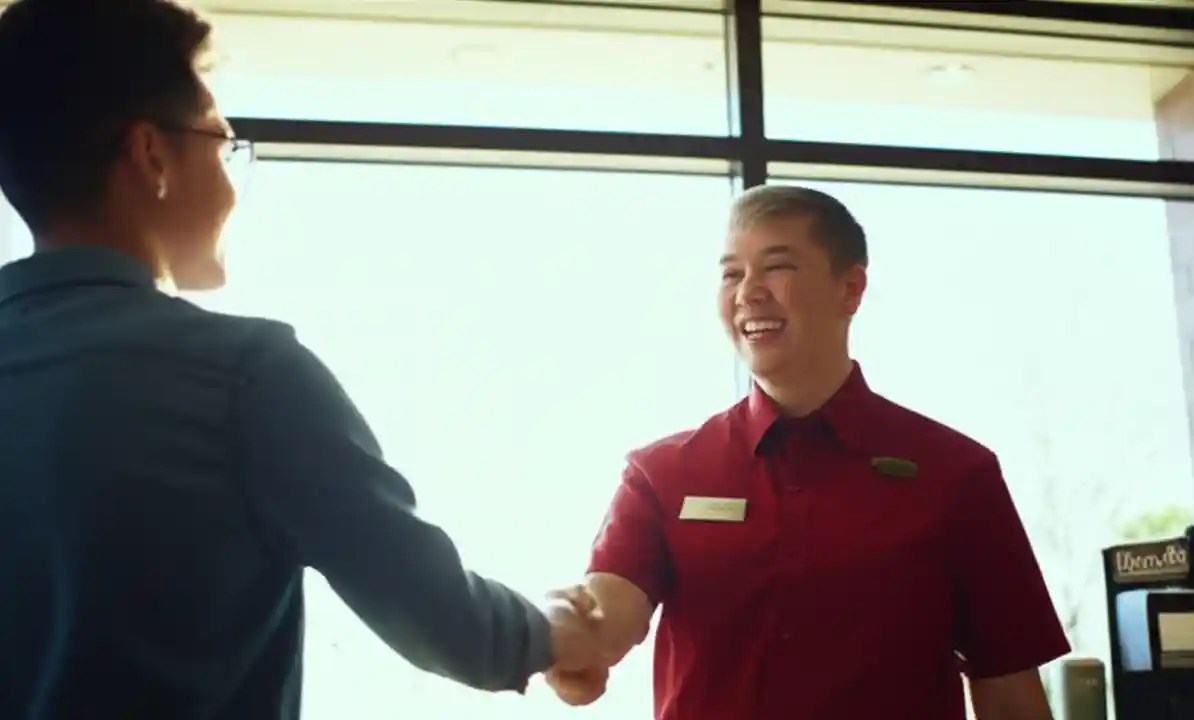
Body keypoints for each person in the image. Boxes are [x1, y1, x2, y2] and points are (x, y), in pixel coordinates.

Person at [0, 1, 600, 718]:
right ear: (152, 155)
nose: (230, 182)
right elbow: (443, 617)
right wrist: (556, 632)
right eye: (222, 146)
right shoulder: (242, 375)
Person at [546, 185, 1070, 719]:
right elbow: (608, 616)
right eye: (731, 274)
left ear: (851, 289)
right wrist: (562, 632)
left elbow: (1008, 690)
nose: (748, 292)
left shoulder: (957, 475)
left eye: (776, 267)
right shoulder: (660, 474)